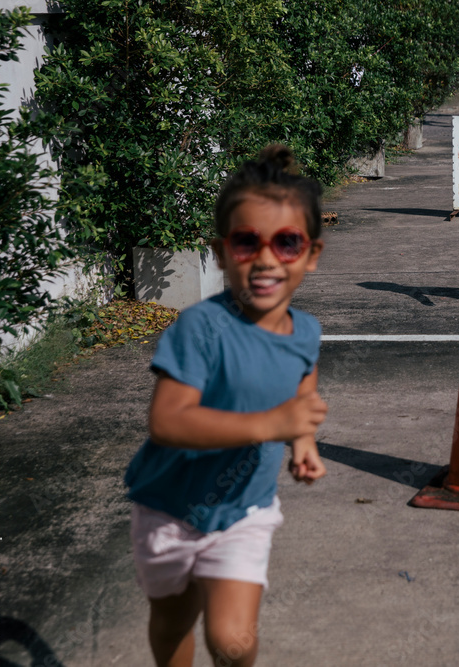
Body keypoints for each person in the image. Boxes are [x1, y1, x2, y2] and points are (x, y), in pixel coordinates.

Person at [124, 144, 328, 667]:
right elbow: (168, 421)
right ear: (220, 253)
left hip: (244, 510)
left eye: (287, 243)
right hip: (168, 510)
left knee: (233, 642)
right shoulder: (201, 328)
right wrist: (272, 424)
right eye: (245, 242)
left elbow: (302, 380)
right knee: (172, 624)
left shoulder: (306, 330)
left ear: (311, 254)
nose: (264, 259)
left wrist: (301, 438)